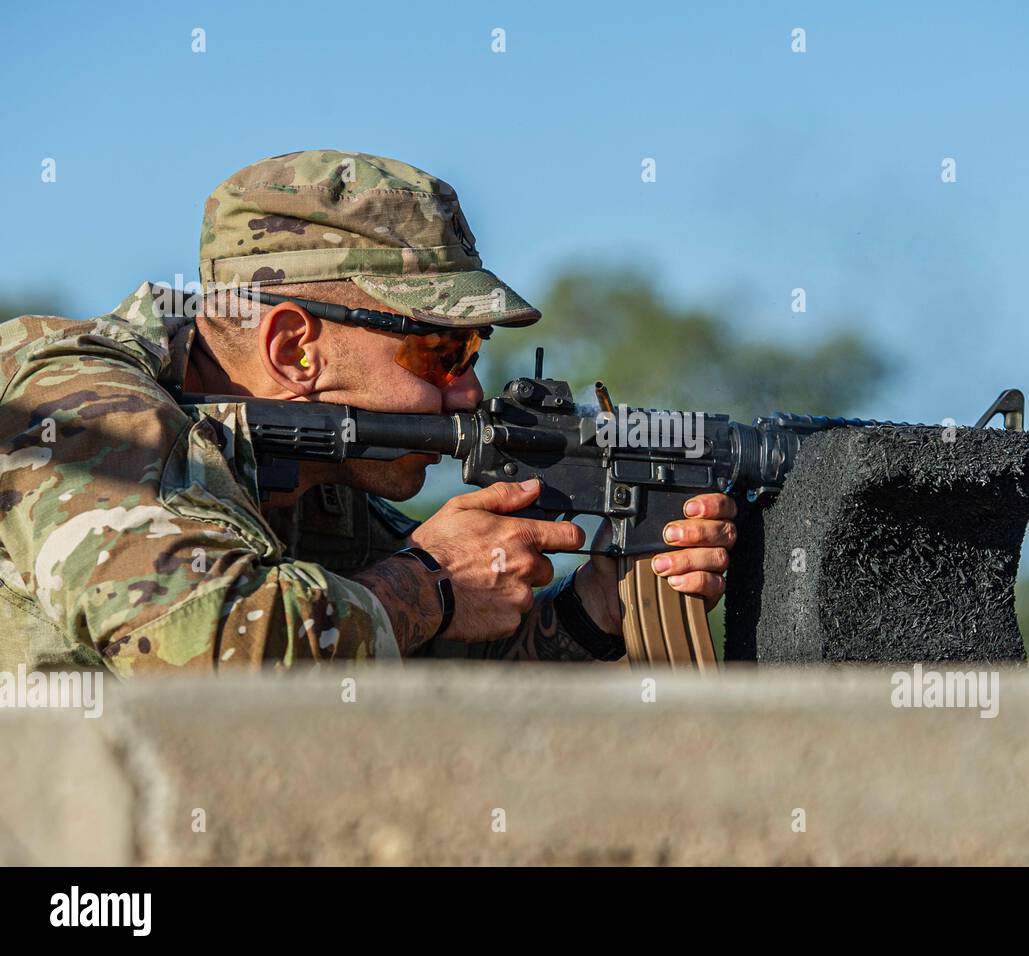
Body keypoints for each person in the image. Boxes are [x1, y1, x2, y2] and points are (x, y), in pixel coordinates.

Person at [0, 150, 736, 675]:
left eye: (473, 353)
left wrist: (595, 608)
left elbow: (442, 676)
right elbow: (214, 651)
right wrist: (433, 581)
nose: (469, 392)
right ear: (294, 351)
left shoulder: (319, 472)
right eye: (440, 353)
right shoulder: (72, 406)